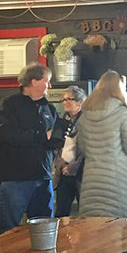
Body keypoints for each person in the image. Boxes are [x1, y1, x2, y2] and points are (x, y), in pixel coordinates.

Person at [0, 62, 65, 233]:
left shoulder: (49, 108)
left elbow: (52, 139)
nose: (49, 85)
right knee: (8, 231)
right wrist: (43, 135)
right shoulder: (10, 104)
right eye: (46, 81)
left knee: (45, 229)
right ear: (34, 81)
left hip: (43, 175)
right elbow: (8, 134)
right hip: (15, 177)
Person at [77, 70, 127, 220]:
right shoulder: (122, 113)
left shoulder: (85, 115)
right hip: (118, 180)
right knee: (126, 230)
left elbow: (83, 148)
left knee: (94, 230)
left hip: (92, 179)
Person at [54, 85, 86, 218]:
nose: (65, 102)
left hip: (81, 172)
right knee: (61, 211)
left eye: (69, 99)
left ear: (79, 102)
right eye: (63, 100)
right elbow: (58, 146)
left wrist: (74, 166)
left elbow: (86, 148)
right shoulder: (63, 120)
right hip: (64, 171)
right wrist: (61, 164)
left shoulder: (86, 120)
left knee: (84, 211)